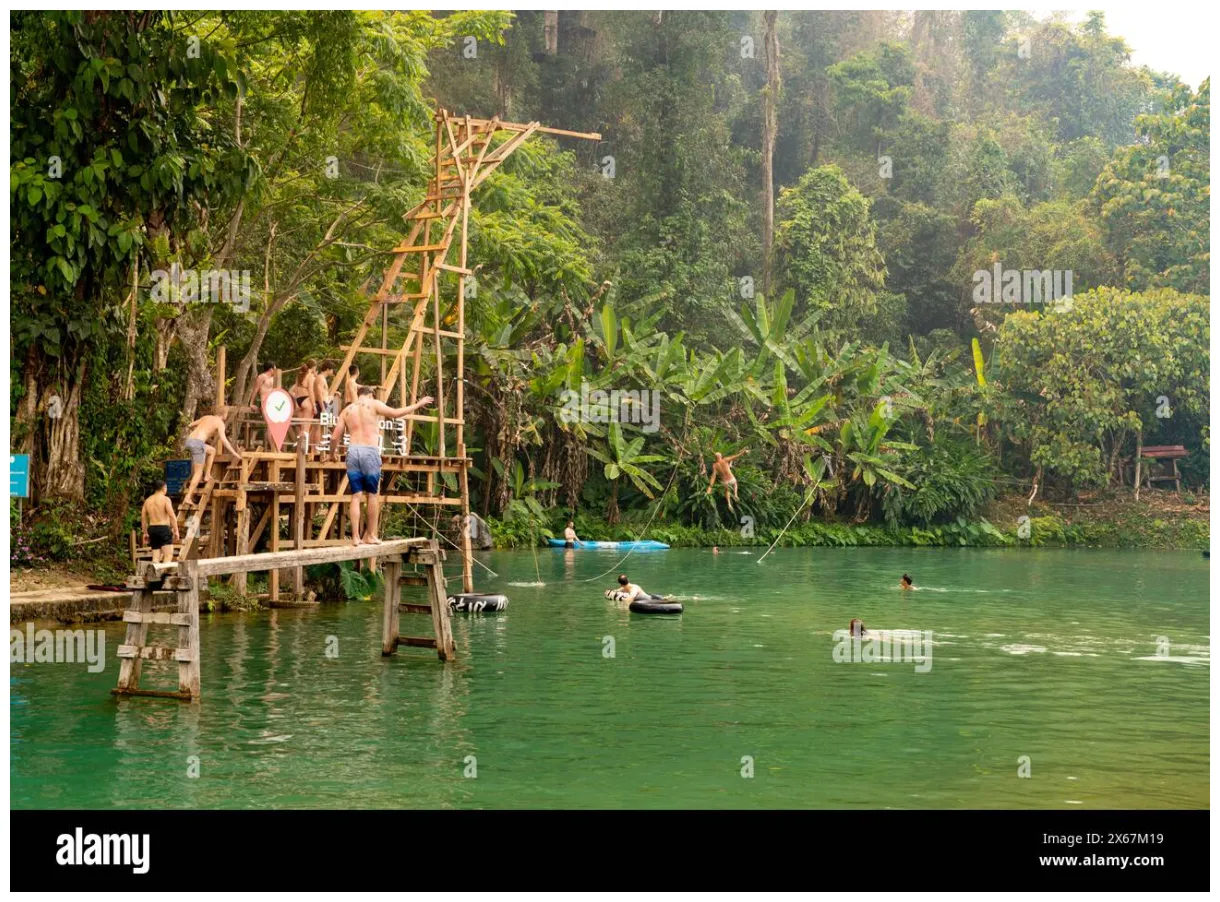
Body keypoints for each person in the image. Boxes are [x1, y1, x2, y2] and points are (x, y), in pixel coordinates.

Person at [329, 386, 433, 545]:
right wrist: (418, 404)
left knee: (356, 496)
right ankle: (370, 535)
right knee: (372, 495)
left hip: (353, 452)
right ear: (370, 395)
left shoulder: (347, 410)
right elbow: (396, 413)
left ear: (358, 395)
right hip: (369, 452)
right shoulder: (373, 404)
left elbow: (335, 435)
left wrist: (332, 453)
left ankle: (356, 537)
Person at [181, 405, 240, 508]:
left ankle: (207, 474)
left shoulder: (206, 417)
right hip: (198, 444)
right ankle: (188, 497)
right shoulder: (220, 423)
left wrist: (203, 431)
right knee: (198, 473)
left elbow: (190, 425)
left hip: (189, 441)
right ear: (224, 414)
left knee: (212, 450)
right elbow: (224, 440)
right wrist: (234, 453)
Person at [141, 481, 180, 563]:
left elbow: (143, 518)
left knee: (155, 557)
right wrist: (176, 530)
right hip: (163, 529)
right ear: (163, 488)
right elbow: (172, 516)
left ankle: (154, 575)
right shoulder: (165, 499)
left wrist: (145, 533)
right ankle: (163, 575)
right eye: (166, 488)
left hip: (152, 529)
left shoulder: (147, 501)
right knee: (168, 555)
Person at [706, 448, 749, 513]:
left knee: (727, 490)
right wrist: (743, 452)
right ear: (721, 456)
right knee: (735, 483)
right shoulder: (725, 460)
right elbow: (735, 456)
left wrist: (710, 486)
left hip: (725, 482)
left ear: (715, 458)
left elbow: (713, 476)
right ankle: (735, 494)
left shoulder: (714, 465)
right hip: (731, 479)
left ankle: (729, 503)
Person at [290, 361, 316, 446]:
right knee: (306, 428)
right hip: (307, 400)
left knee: (302, 428)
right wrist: (314, 406)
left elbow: (295, 390)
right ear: (313, 367)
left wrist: (296, 402)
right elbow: (311, 391)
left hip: (298, 401)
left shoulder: (299, 376)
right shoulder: (310, 376)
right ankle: (304, 450)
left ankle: (300, 449)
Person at [313, 360, 337, 448]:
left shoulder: (322, 378)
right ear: (328, 369)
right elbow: (319, 393)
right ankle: (316, 448)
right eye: (331, 370)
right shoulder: (320, 378)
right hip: (321, 404)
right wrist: (322, 408)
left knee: (320, 427)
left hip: (324, 402)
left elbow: (323, 393)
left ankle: (317, 447)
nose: (332, 372)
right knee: (318, 427)